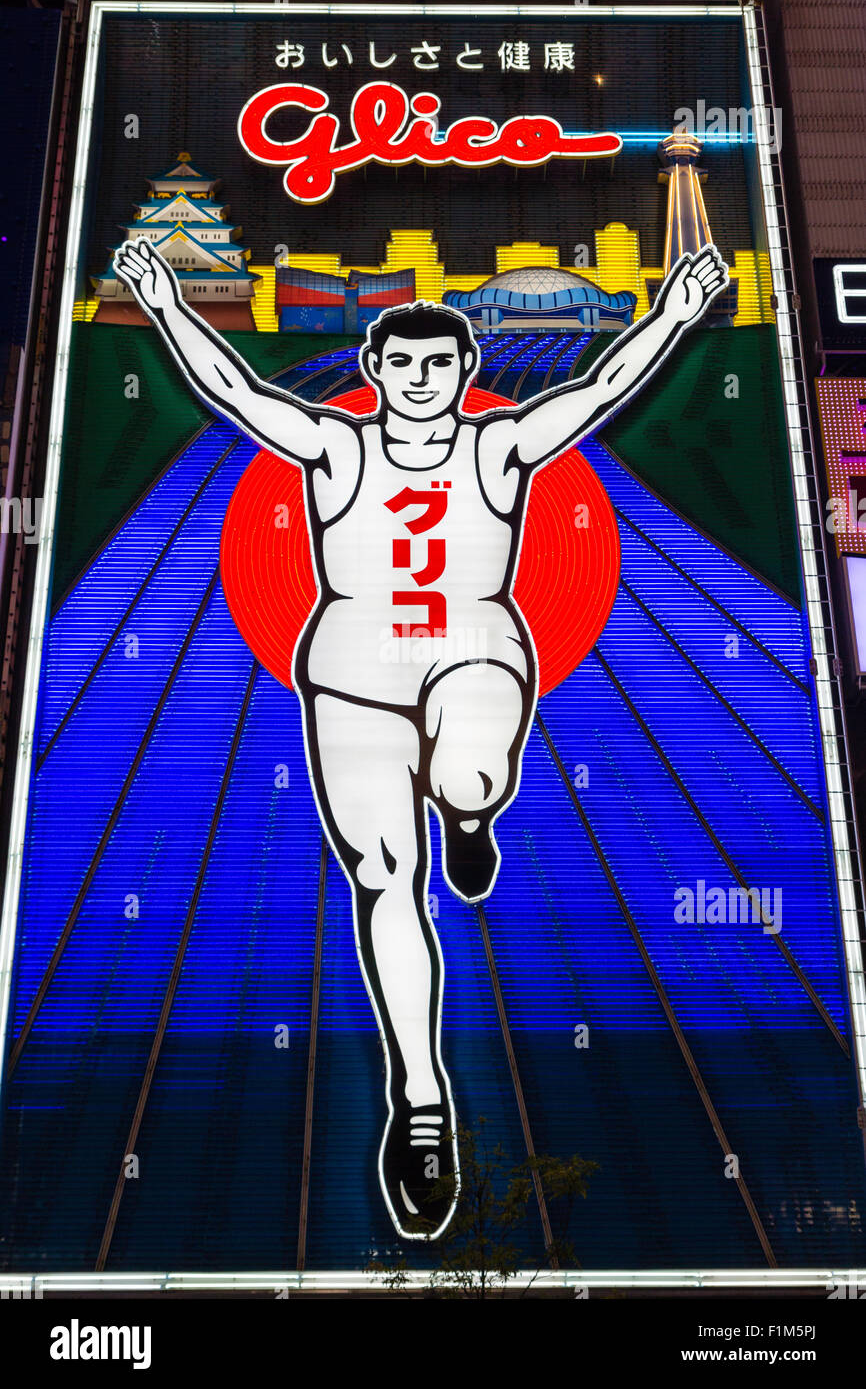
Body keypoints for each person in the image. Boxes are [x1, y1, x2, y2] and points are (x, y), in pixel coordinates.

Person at [114, 236, 728, 1239]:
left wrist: (670, 312)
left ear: (462, 372)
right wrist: (167, 304)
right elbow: (232, 391)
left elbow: (602, 386)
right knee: (387, 880)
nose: (417, 377)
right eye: (400, 362)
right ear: (374, 371)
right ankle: (421, 1101)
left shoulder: (500, 447)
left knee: (472, 768)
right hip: (352, 674)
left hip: (473, 649)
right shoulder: (332, 447)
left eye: (436, 362)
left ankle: (473, 809)